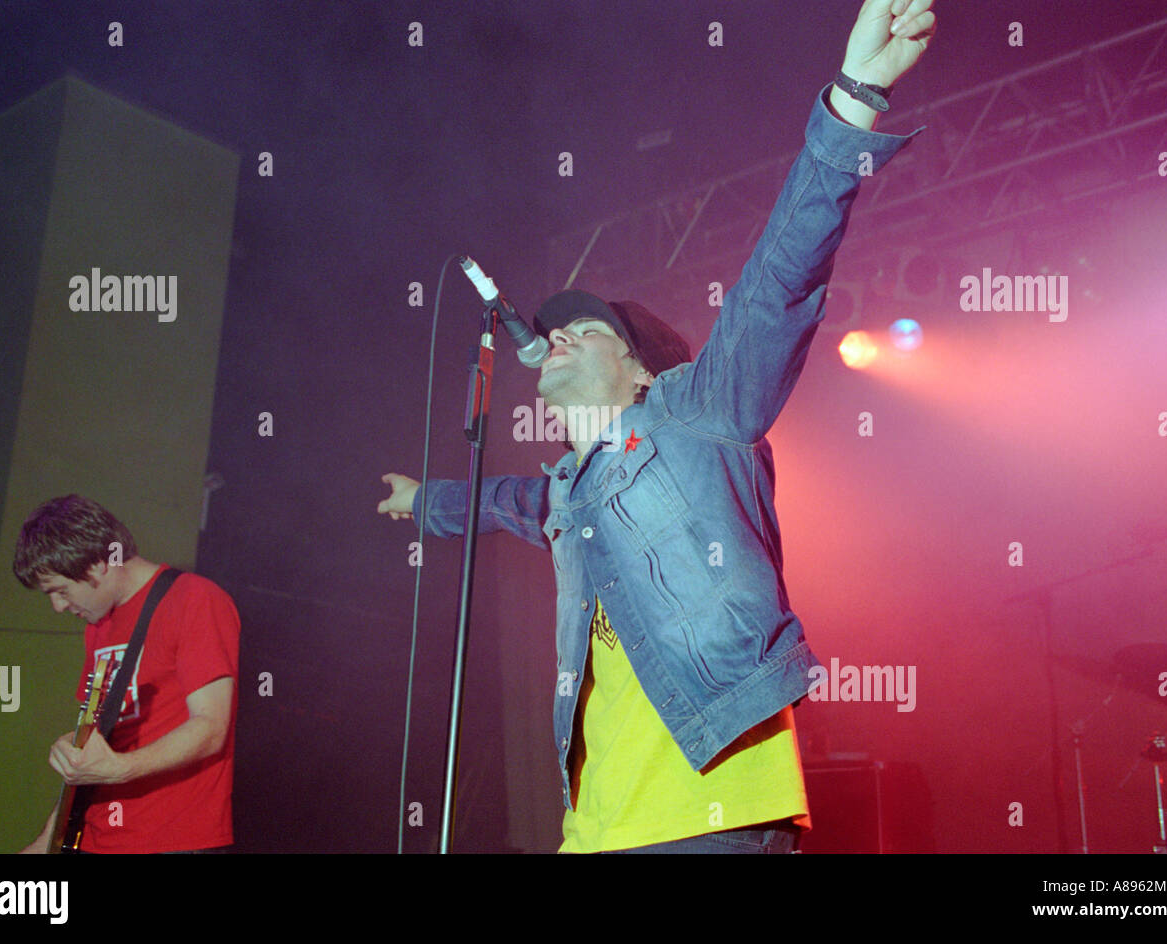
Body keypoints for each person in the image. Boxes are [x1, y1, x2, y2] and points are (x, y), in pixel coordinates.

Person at [379, 0, 935, 853]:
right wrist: (425, 504)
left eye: (586, 328)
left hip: (710, 817)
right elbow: (503, 500)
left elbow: (779, 279)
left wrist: (854, 97)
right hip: (594, 828)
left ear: (642, 368)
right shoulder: (569, 492)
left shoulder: (695, 416)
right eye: (555, 327)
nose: (557, 333)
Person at [14, 494, 240, 854]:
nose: (57, 607)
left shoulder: (195, 599)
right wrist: (46, 840)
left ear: (99, 564)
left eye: (60, 591)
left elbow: (211, 728)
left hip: (174, 841)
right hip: (97, 838)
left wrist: (119, 768)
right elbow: (94, 745)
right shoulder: (99, 625)